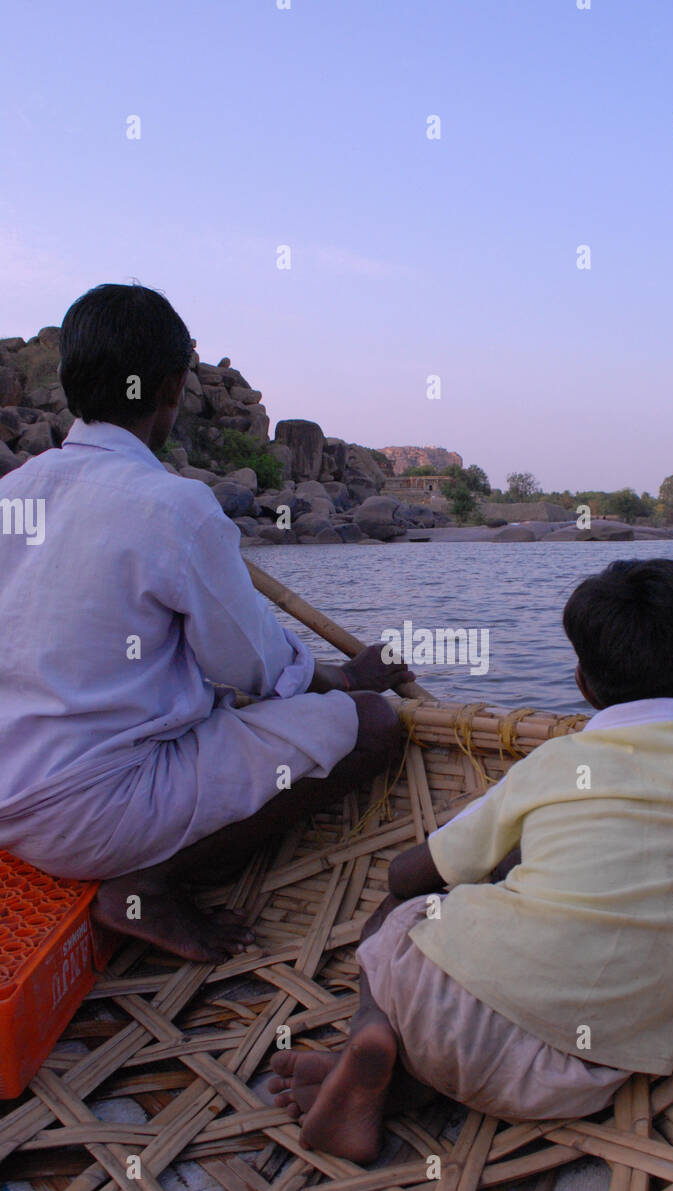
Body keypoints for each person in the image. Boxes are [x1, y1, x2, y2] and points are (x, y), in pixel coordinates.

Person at [269, 557, 673, 1161]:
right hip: (582, 1076)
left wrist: (484, 864)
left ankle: (372, 1031)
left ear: (583, 685)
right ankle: (409, 1084)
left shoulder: (551, 764)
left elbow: (407, 874)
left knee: (399, 914)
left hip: (443, 1011)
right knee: (517, 974)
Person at [0, 284, 410, 962]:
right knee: (371, 725)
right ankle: (150, 883)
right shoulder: (176, 507)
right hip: (90, 820)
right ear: (170, 390)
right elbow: (248, 667)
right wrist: (345, 676)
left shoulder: (11, 493)